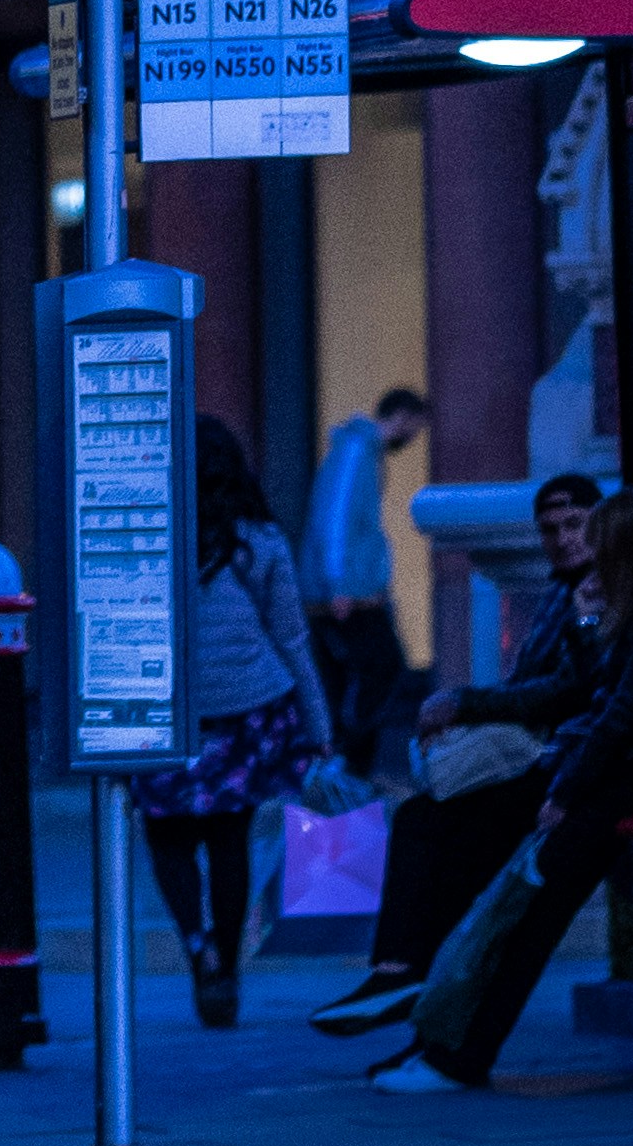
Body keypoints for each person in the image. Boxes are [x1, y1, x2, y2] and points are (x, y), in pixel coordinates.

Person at [376, 483, 633, 1087]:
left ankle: (462, 1053)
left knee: (537, 900)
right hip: (632, 770)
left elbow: (624, 710)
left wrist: (566, 793)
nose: (587, 557)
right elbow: (599, 687)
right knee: (523, 898)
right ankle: (445, 1041)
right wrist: (589, 620)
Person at [306, 471, 607, 1033]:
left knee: (450, 827)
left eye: (575, 524)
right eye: (550, 530)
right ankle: (402, 972)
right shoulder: (566, 590)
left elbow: (577, 688)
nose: (563, 538)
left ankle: (407, 975)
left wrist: (469, 705)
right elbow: (539, 681)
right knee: (427, 818)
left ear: (603, 523)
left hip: (577, 768)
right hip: (551, 758)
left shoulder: (602, 590)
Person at [137, 422, 342, 1029]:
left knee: (166, 836)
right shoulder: (261, 541)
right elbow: (292, 639)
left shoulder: (155, 534)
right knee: (229, 841)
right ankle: (227, 963)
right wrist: (319, 725)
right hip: (251, 707)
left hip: (166, 709)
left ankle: (196, 942)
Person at [297, 384, 432, 775]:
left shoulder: (363, 451)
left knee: (357, 675)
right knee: (380, 669)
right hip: (345, 597)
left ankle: (348, 765)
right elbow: (335, 518)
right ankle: (346, 759)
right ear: (403, 417)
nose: (412, 438)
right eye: (416, 427)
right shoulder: (357, 449)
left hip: (352, 592)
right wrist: (339, 584)